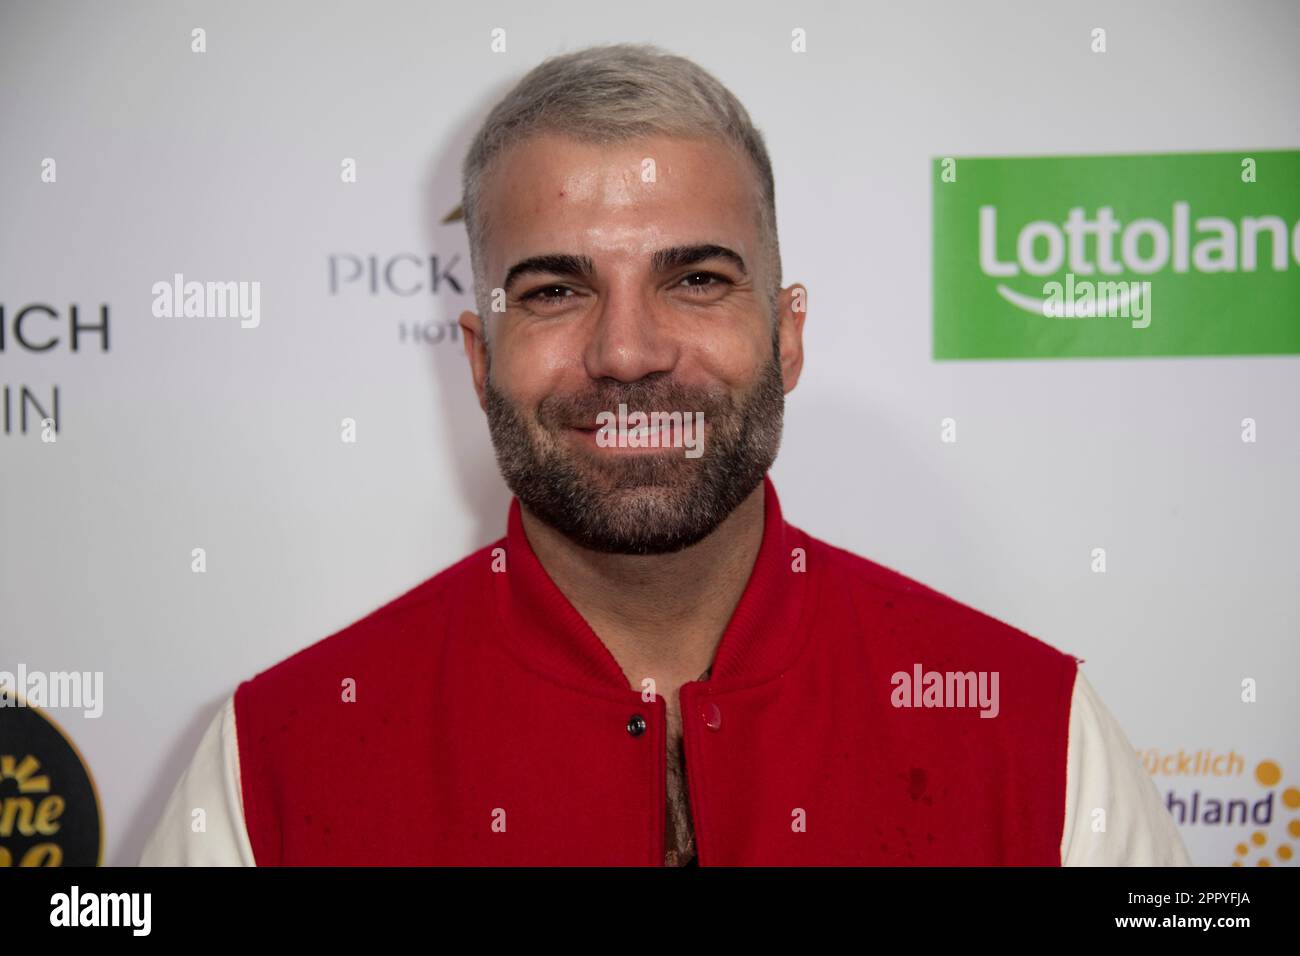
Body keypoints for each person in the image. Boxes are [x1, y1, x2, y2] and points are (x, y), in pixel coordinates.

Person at [140, 43, 1190, 867]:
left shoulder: (1037, 736)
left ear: (786, 333)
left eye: (694, 279)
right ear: (476, 354)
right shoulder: (274, 761)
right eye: (554, 290)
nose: (628, 353)